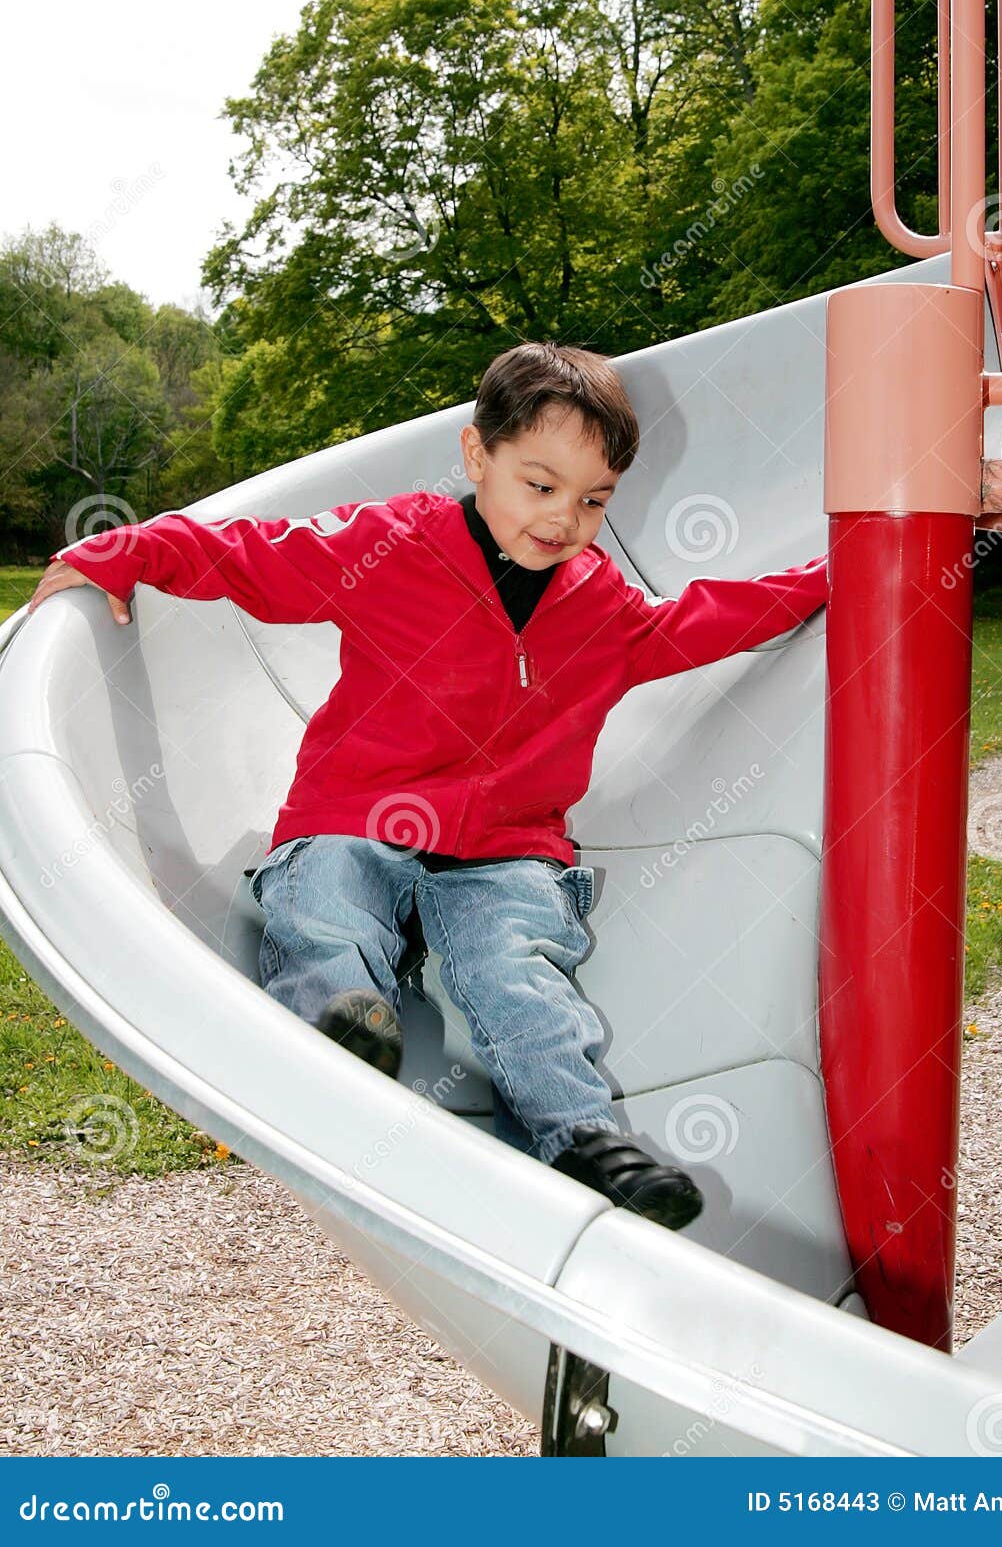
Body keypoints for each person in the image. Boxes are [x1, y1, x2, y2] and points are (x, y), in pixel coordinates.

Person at [28, 342, 828, 1231]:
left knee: (518, 973)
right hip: (358, 810)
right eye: (540, 484)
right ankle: (339, 1019)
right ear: (477, 455)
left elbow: (705, 621)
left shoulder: (600, 609)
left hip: (505, 844)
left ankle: (581, 1140)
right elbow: (256, 556)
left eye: (593, 499)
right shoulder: (394, 545)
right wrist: (130, 549)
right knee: (328, 897)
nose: (563, 518)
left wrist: (843, 577)